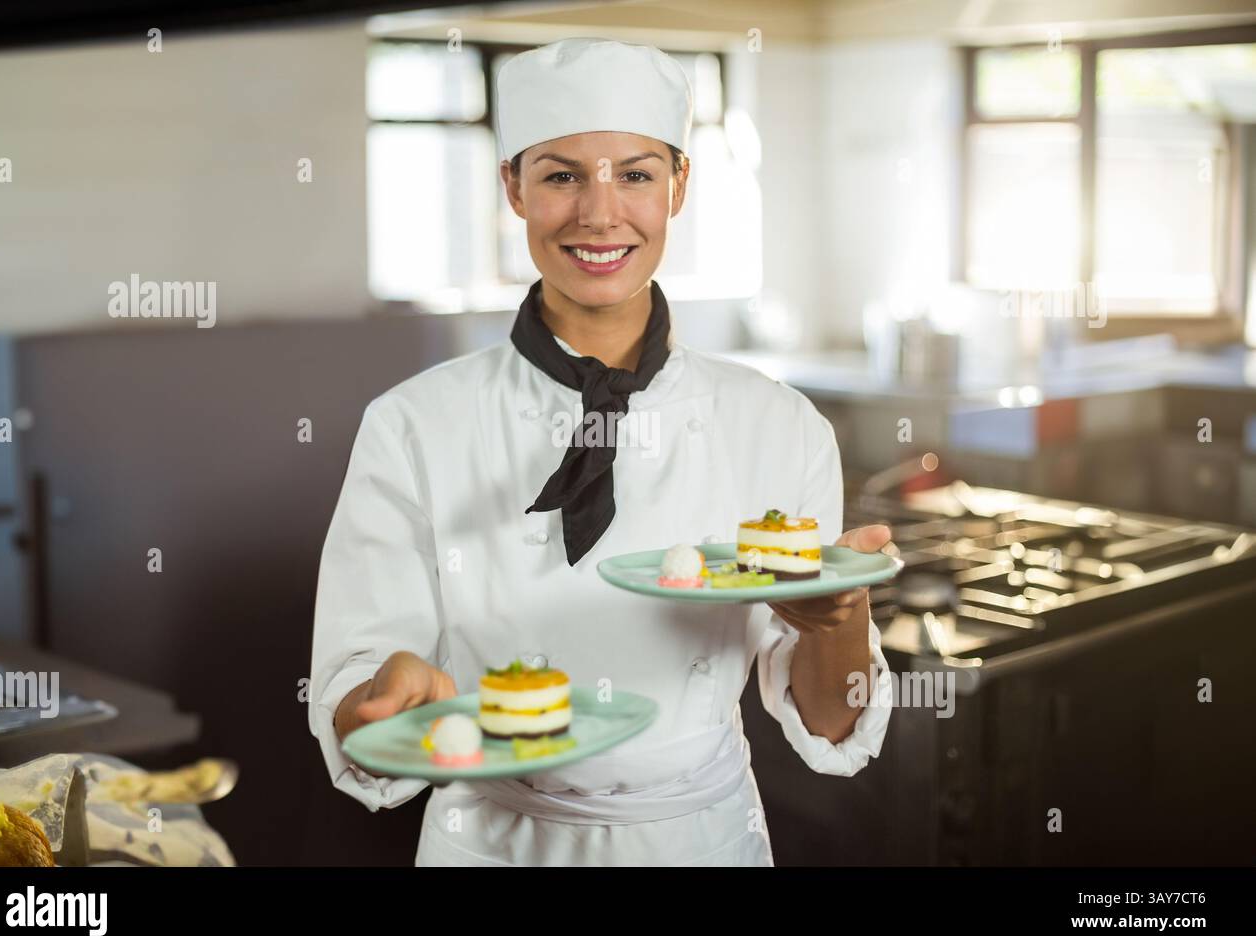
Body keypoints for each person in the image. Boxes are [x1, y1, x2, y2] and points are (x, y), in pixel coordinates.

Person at [308, 36, 894, 866]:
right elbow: (356, 700)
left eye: (636, 174)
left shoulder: (779, 423)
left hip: (706, 840)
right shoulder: (413, 423)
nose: (599, 214)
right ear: (512, 186)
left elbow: (833, 723)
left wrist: (842, 616)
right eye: (560, 175)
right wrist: (383, 703)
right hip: (493, 842)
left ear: (679, 186)